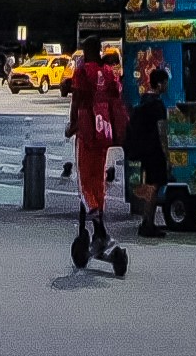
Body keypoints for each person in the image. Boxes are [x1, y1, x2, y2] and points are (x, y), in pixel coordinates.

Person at [66, 40, 129, 272]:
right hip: (104, 133)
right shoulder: (108, 73)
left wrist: (72, 125)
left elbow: (77, 100)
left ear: (87, 51)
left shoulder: (83, 72)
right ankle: (100, 229)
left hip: (86, 131)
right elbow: (116, 100)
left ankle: (100, 232)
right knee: (98, 181)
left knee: (84, 185)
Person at [128, 55, 171, 238]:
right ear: (160, 84)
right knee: (154, 186)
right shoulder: (158, 105)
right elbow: (162, 131)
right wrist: (167, 155)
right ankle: (148, 223)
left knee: (150, 185)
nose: (167, 86)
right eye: (165, 83)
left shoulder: (144, 101)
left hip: (144, 150)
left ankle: (147, 222)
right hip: (154, 151)